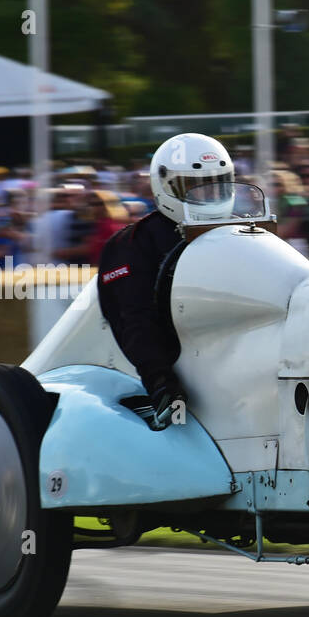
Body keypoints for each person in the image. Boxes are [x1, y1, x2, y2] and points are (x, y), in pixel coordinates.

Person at [97, 132, 234, 429]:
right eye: (196, 187)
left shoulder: (242, 230)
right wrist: (160, 382)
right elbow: (135, 318)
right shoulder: (132, 243)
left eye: (216, 186)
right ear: (166, 186)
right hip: (166, 369)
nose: (208, 198)